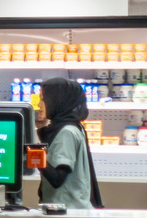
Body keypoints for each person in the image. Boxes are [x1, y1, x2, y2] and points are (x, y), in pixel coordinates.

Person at [37, 76, 103, 210]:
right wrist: (41, 126)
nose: (39, 105)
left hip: (67, 211)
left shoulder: (66, 133)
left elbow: (57, 179)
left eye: (43, 100)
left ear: (57, 101)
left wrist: (36, 158)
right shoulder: (73, 126)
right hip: (71, 208)